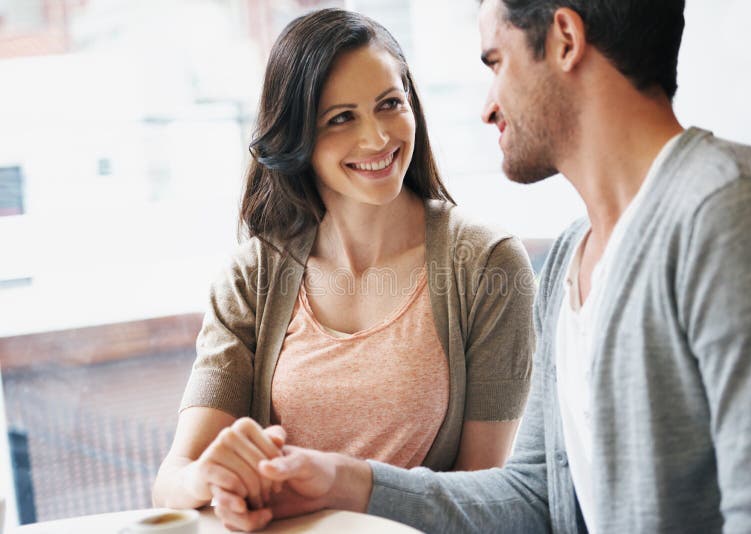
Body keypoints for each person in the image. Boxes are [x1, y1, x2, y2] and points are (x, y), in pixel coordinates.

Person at [254, 0, 751, 532]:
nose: (488, 106)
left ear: (565, 39)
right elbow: (536, 495)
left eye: (496, 62)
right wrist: (344, 481)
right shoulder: (569, 257)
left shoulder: (737, 211)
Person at [151, 7, 537, 532]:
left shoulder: (487, 266)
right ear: (297, 139)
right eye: (341, 118)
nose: (377, 138)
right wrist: (211, 478)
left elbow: (482, 496)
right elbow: (172, 479)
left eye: (389, 105)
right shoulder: (253, 279)